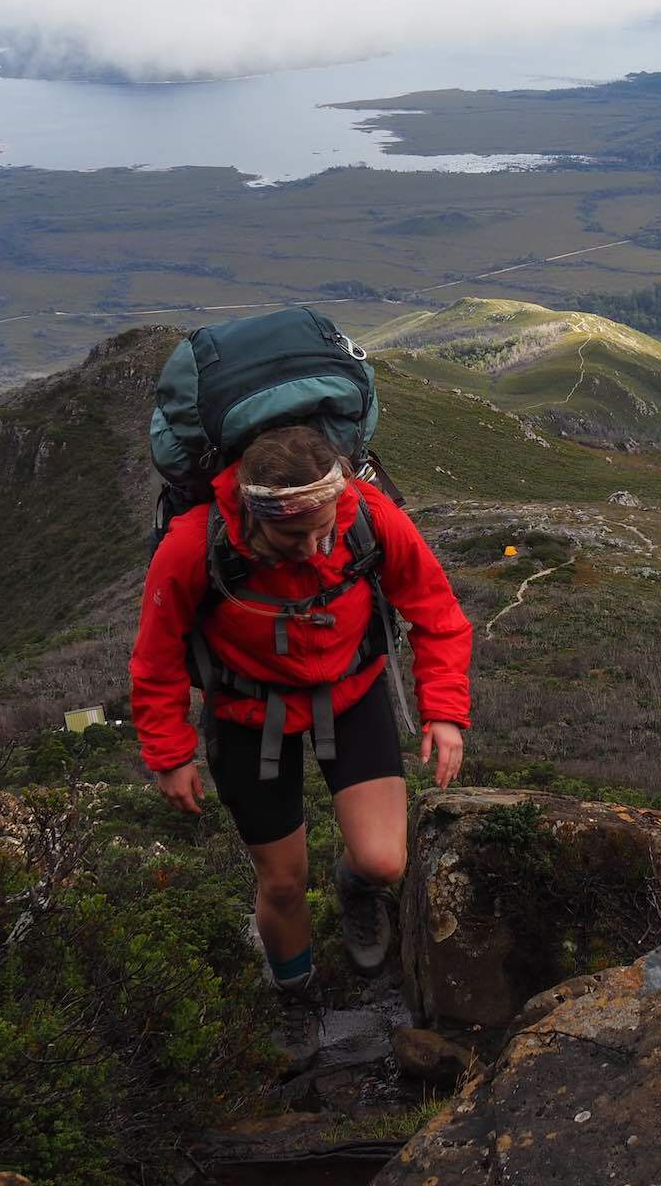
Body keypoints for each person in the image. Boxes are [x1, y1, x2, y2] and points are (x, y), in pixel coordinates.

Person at [129, 425, 471, 992]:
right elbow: (156, 657)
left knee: (385, 861)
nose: (313, 549)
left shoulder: (368, 515)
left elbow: (437, 611)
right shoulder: (193, 544)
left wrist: (444, 711)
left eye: (322, 532)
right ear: (254, 516)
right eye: (293, 539)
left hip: (353, 694)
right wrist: (169, 753)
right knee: (283, 884)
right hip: (246, 715)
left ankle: (356, 888)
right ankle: (295, 995)